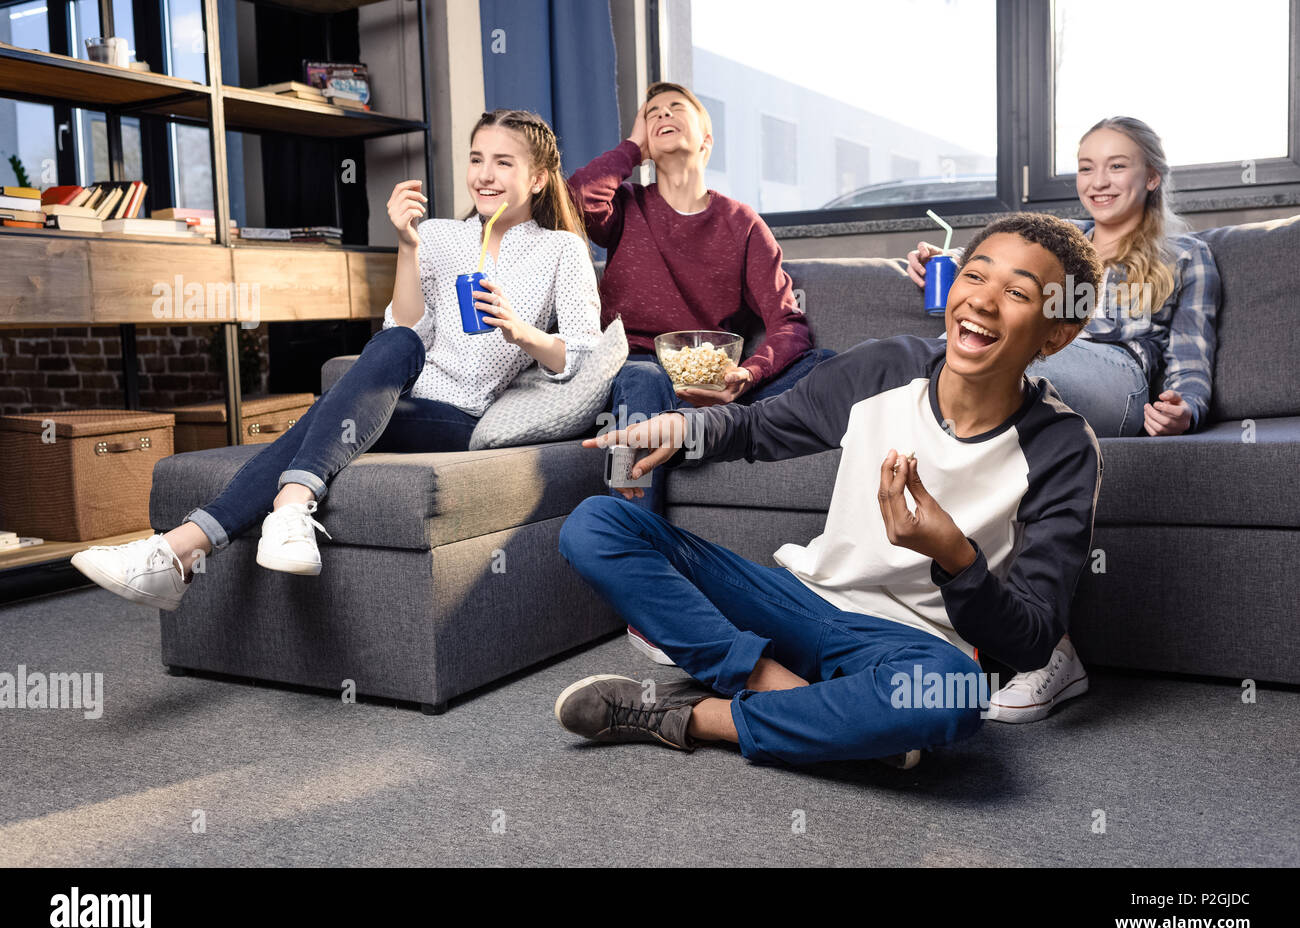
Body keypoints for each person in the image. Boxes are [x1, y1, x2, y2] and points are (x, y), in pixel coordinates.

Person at [553, 213, 1103, 769]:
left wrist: (954, 557)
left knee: (956, 694)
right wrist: (686, 428)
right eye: (975, 276)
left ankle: (694, 718)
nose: (983, 302)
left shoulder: (1063, 448)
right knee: (596, 524)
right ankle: (795, 701)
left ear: (1058, 333)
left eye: (1017, 293)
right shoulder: (886, 367)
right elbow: (759, 426)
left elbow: (1030, 641)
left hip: (907, 649)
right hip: (797, 602)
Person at [72, 109, 601, 610]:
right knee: (394, 345)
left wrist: (522, 331)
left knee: (320, 417)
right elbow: (405, 330)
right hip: (399, 396)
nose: (484, 175)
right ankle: (270, 514)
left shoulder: (561, 251)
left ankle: (185, 548)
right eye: (476, 158)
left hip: (459, 416)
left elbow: (579, 355)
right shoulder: (440, 235)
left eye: (503, 162)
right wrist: (407, 245)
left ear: (537, 178)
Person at [907, 116, 1221, 724]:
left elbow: (1191, 359)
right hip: (1030, 367)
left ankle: (1040, 649)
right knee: (948, 392)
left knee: (987, 363)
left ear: (1152, 177)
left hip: (1116, 378)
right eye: (1085, 166)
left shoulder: (1185, 256)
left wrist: (1184, 407)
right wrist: (954, 269)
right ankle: (985, 634)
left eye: (1117, 165)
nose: (1097, 181)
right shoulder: (1052, 243)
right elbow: (994, 293)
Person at [569, 81, 835, 665]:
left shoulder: (741, 223)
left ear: (705, 139)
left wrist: (749, 372)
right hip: (641, 371)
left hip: (716, 389)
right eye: (651, 113)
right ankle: (649, 598)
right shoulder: (627, 211)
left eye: (676, 111)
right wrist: (630, 149)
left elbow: (789, 324)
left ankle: (703, 427)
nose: (662, 116)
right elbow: (577, 198)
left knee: (828, 367)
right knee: (640, 384)